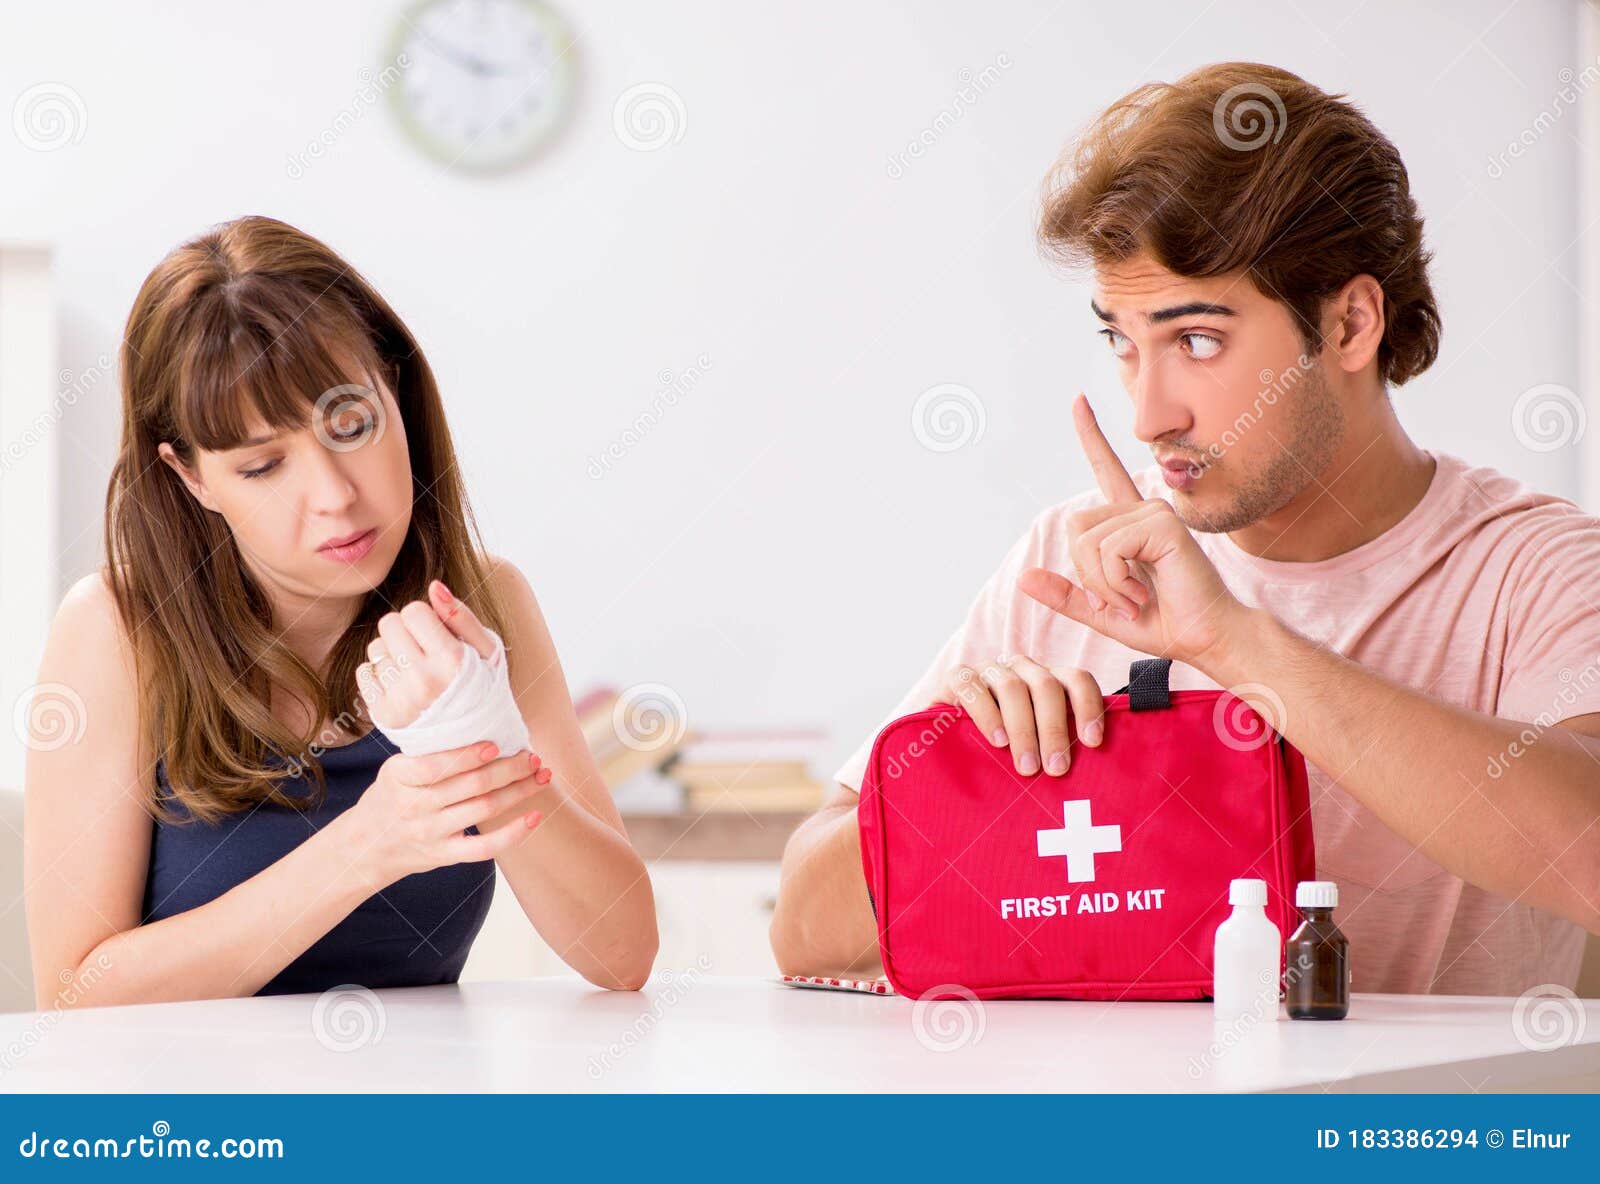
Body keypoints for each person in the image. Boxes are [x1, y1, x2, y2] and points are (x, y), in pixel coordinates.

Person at [770, 62, 1600, 996]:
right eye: (1122, 342)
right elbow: (802, 933)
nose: (1148, 415)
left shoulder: (1538, 571)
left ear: (1350, 325)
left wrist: (1232, 644)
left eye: (1196, 340)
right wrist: (962, 791)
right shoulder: (1072, 560)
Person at [24, 215, 658, 1006]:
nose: (335, 497)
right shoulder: (117, 631)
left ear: (397, 392)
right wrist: (369, 844)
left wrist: (485, 739)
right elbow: (75, 994)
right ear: (191, 479)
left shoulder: (482, 603)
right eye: (262, 466)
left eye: (352, 425)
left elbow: (622, 955)